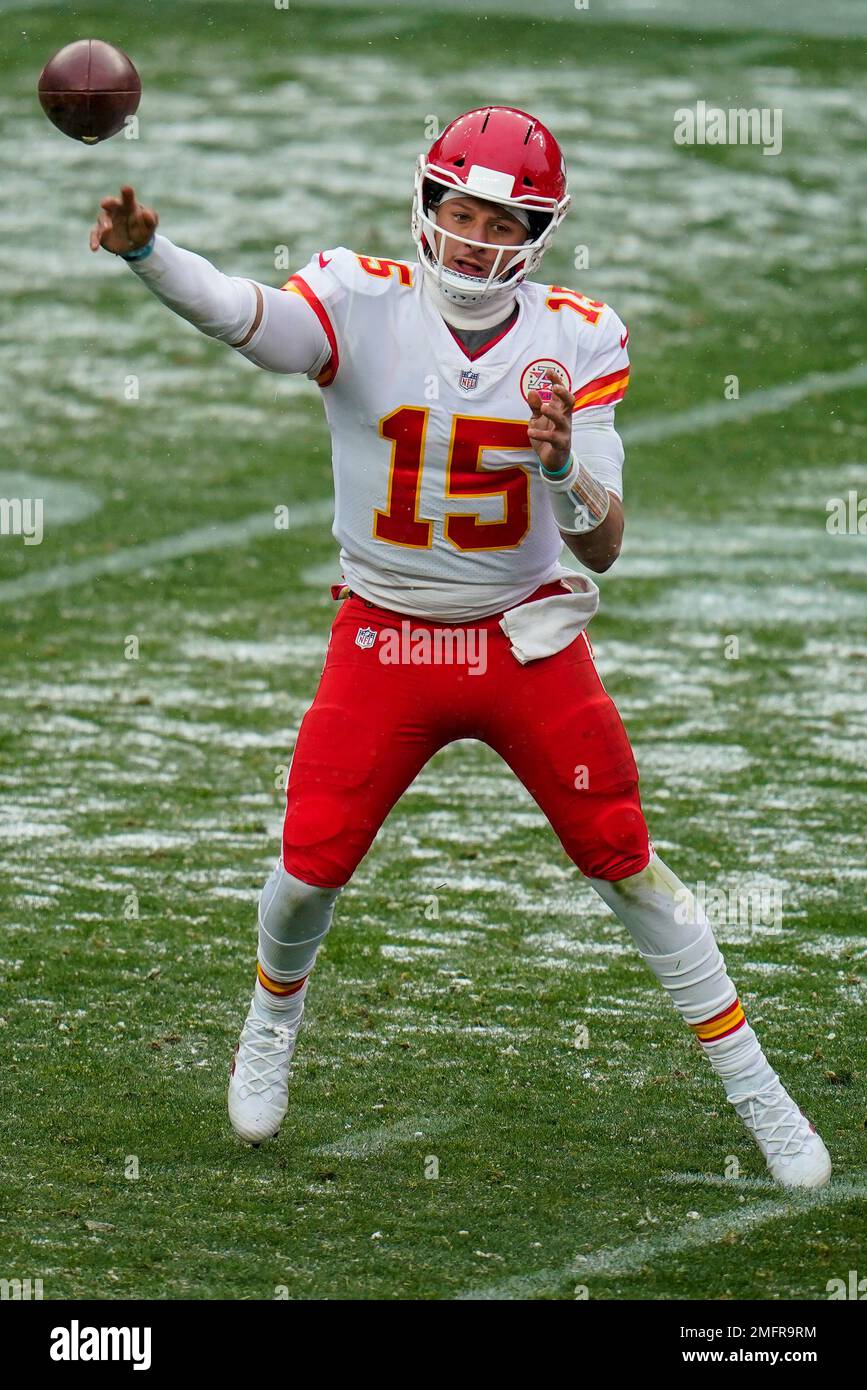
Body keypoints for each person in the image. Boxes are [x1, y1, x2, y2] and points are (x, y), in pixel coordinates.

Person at [89, 106, 831, 1187]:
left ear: (539, 231)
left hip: (523, 640)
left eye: (504, 221)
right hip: (385, 637)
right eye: (464, 212)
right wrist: (151, 255)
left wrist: (561, 467)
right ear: (431, 206)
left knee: (626, 860)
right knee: (305, 872)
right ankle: (270, 1022)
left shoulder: (579, 336)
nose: (479, 239)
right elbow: (244, 316)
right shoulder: (360, 300)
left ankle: (761, 1094)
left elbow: (605, 542)